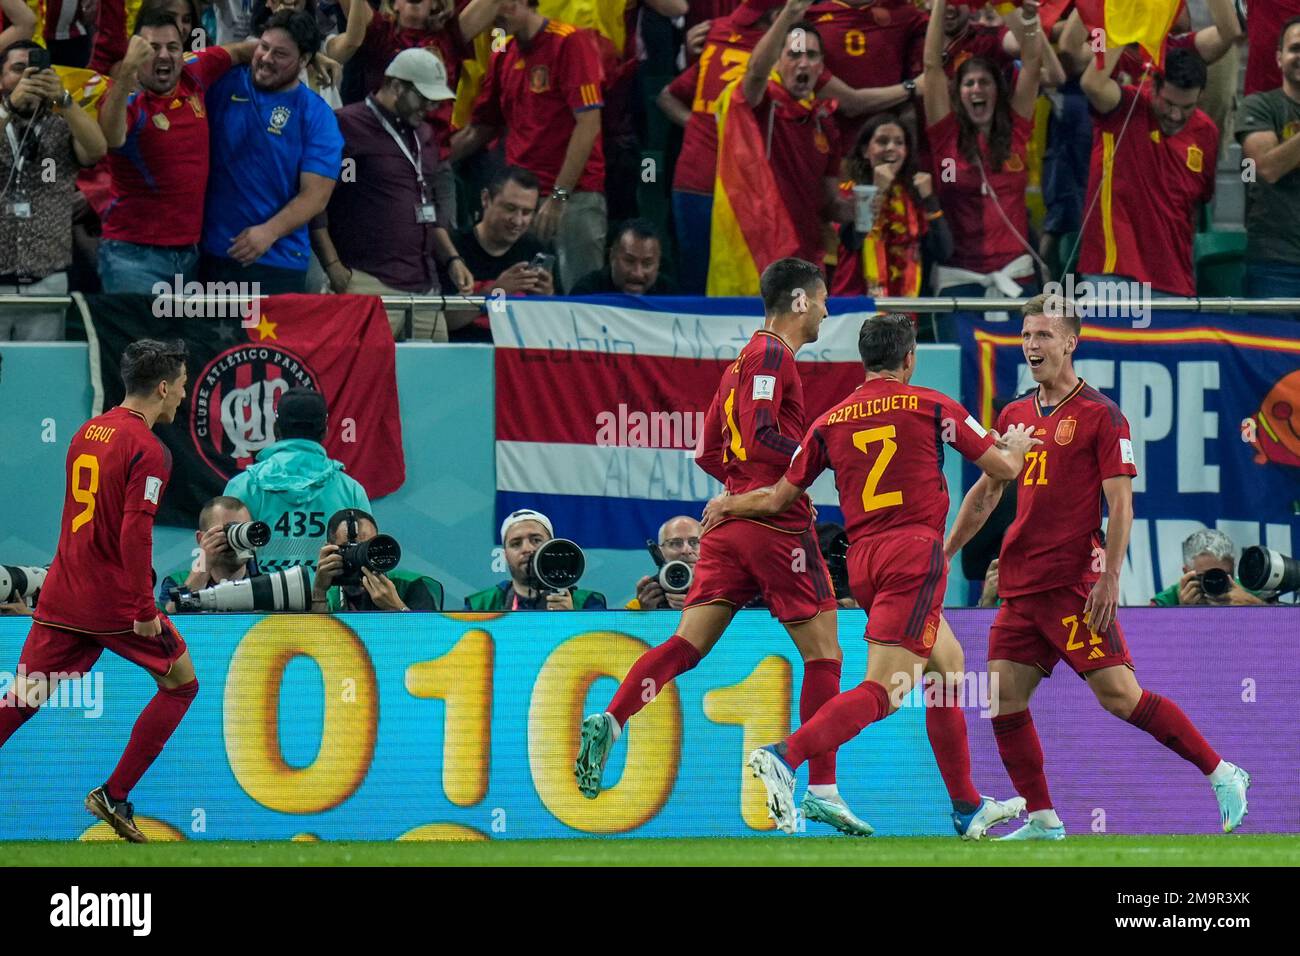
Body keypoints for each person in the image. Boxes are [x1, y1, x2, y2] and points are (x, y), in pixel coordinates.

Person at [573, 258, 873, 837]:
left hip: (728, 522)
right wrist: (820, 450)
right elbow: (762, 433)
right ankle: (823, 789)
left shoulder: (738, 363)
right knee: (825, 655)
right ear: (800, 301)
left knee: (687, 644)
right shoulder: (772, 355)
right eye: (824, 298)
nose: (829, 310)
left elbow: (711, 451)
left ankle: (613, 720)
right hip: (773, 519)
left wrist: (737, 491)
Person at [711, 314, 1038, 839]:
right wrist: (1015, 449)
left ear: (866, 361)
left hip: (863, 563)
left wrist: (729, 504)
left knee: (947, 668)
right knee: (886, 690)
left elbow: (776, 499)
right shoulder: (931, 403)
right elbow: (1001, 469)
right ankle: (783, 756)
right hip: (914, 553)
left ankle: (967, 805)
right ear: (910, 359)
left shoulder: (830, 420)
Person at [942, 294, 1251, 839]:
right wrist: (944, 553)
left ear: (1070, 341)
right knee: (1003, 699)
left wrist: (1109, 576)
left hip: (1069, 585)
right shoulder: (1014, 415)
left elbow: (1122, 503)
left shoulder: (1101, 415)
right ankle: (1043, 820)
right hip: (1020, 587)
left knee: (1119, 697)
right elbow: (987, 492)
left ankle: (1222, 772)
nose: (1032, 345)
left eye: (1043, 335)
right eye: (1027, 335)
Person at [0, 339, 198, 843]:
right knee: (181, 684)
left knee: (24, 698)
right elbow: (135, 533)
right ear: (160, 387)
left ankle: (115, 795)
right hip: (111, 602)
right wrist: (142, 608)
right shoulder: (149, 449)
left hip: (63, 594)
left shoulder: (88, 431)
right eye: (179, 385)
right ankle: (114, 793)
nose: (182, 394)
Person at [311, 48, 474, 341]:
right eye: (422, 97)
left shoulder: (423, 134)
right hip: (367, 280)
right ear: (396, 85)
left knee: (436, 382)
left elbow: (429, 206)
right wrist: (332, 264)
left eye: (432, 99)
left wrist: (452, 259)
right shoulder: (346, 124)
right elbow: (315, 200)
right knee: (362, 380)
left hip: (424, 285)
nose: (428, 106)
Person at [452, 0, 608, 292]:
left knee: (580, 298)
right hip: (524, 203)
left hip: (573, 197)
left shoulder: (570, 43)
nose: (490, 23)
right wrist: (438, 157)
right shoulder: (503, 53)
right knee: (529, 301)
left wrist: (559, 197)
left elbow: (589, 124)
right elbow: (485, 126)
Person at [97, 15, 254, 293]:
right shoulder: (127, 100)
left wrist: (310, 57)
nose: (164, 55)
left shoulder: (193, 70)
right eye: (151, 48)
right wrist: (126, 73)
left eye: (172, 47)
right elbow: (111, 136)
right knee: (140, 339)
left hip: (189, 257)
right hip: (133, 259)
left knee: (178, 340)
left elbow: (243, 49)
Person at [922, 0, 1044, 340]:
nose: (977, 89)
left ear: (997, 90)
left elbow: (1033, 62)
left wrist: (1023, 16)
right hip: (957, 283)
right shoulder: (944, 135)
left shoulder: (1017, 130)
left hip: (1017, 283)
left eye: (984, 82)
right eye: (969, 84)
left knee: (1019, 386)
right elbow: (932, 65)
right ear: (958, 94)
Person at [201, 10, 344, 294]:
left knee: (267, 341)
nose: (266, 58)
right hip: (213, 255)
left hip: (278, 262)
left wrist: (269, 232)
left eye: (280, 54)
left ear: (304, 61)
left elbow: (316, 196)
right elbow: (189, 63)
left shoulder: (317, 115)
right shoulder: (224, 84)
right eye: (263, 47)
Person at [1077, 45, 1217, 299]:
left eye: (1187, 107)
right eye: (1169, 103)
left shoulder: (1206, 132)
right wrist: (1123, 28)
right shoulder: (1124, 107)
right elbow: (1091, 84)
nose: (1176, 115)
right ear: (1153, 86)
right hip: (1112, 277)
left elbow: (1195, 207)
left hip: (1176, 284)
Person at [732, 2, 850, 273]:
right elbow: (755, 73)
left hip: (807, 256)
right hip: (760, 256)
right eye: (794, 54)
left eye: (811, 55)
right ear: (778, 60)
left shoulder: (825, 121)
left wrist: (857, 209)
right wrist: (790, 12)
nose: (803, 63)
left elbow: (830, 203)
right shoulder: (763, 104)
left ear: (821, 67)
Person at [0, 39, 106, 341]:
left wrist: (64, 98)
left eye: (35, 71)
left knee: (41, 377)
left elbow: (96, 150)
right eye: (18, 70)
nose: (26, 79)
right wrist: (9, 106)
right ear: (1, 78)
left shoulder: (62, 123)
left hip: (47, 280)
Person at [222, 387, 371, 569]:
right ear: (324, 431)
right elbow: (366, 562)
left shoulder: (242, 486)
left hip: (259, 597)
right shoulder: (352, 491)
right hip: (330, 597)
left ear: (276, 429)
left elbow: (223, 561)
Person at [831, 112, 951, 299]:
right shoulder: (848, 192)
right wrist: (877, 190)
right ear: (865, 151)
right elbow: (852, 240)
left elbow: (943, 251)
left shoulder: (913, 197)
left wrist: (930, 200)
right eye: (882, 141)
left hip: (904, 311)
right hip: (855, 310)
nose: (891, 148)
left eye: (898, 142)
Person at [1236, 15, 1300, 298]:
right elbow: (1268, 167)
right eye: (1295, 48)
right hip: (1276, 264)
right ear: (1278, 57)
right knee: (1268, 343)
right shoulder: (1259, 105)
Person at [464, 509, 607, 610]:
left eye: (536, 540)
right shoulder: (480, 605)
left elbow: (604, 651)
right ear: (505, 555)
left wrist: (573, 622)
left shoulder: (587, 604)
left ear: (552, 546)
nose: (527, 549)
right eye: (516, 543)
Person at [311, 509, 443, 611]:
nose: (360, 557)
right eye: (349, 549)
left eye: (367, 547)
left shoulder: (409, 585)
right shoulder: (328, 595)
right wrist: (319, 591)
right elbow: (316, 642)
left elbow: (432, 642)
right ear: (329, 550)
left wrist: (395, 607)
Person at [157, 496, 262, 613]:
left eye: (242, 531)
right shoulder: (177, 581)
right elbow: (168, 622)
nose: (236, 540)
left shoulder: (266, 586)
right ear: (201, 538)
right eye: (226, 532)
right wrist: (200, 572)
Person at [1150, 529, 1268, 607]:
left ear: (1234, 570)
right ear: (1186, 573)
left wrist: (1255, 607)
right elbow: (1146, 639)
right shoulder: (1164, 603)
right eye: (1208, 576)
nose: (1216, 583)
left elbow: (1283, 631)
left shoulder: (1247, 595)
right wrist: (1181, 615)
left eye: (1224, 576)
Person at [569, 219, 677, 295]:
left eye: (647, 264)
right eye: (629, 261)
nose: (637, 273)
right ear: (612, 257)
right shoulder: (587, 293)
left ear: (658, 264)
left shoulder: (671, 296)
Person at [628, 516, 701, 611]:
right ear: (660, 551)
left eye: (694, 542)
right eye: (676, 543)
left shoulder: (723, 593)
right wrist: (645, 614)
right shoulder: (648, 596)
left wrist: (702, 612)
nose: (686, 550)